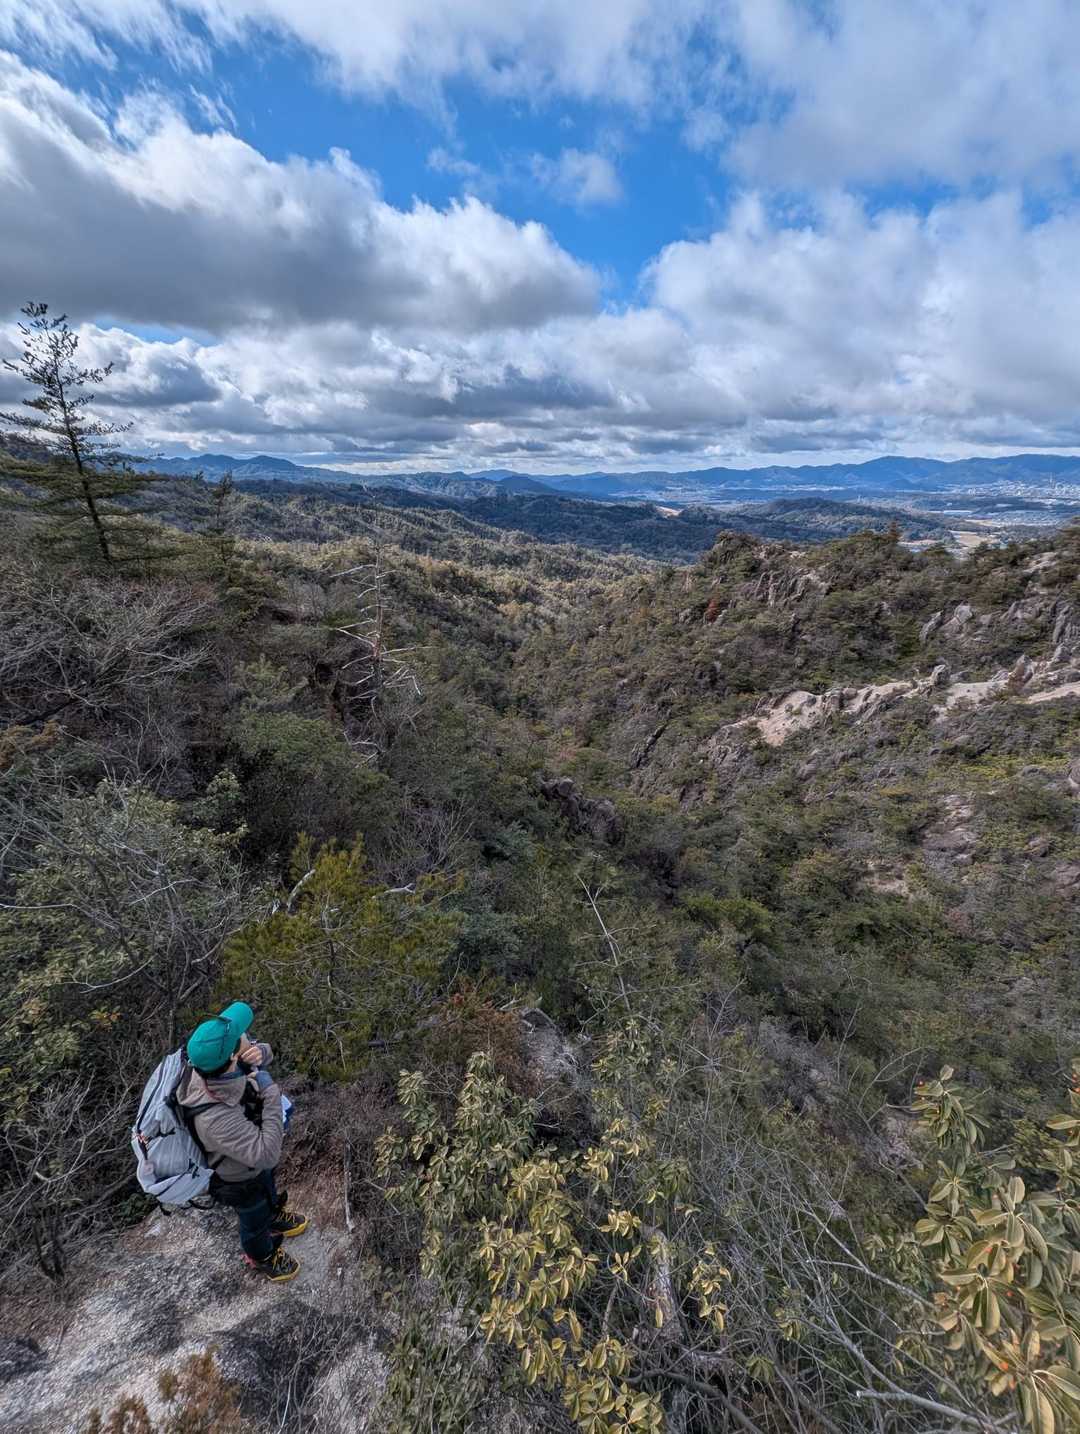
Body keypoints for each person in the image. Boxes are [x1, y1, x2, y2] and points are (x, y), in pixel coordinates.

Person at [177, 1000, 309, 1283]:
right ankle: (262, 1256)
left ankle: (273, 1215)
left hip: (252, 1163)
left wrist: (261, 1052)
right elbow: (266, 1154)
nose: (248, 1036)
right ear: (233, 1059)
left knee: (268, 1188)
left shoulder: (211, 1066)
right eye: (243, 1038)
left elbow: (258, 1052)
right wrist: (270, 1093)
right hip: (239, 1179)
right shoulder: (214, 1118)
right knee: (253, 1221)